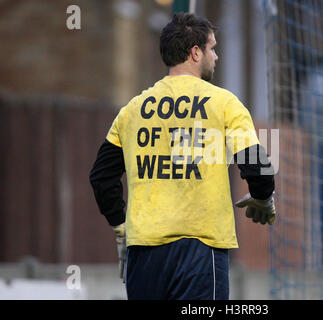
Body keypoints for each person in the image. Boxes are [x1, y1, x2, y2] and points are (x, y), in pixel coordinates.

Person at [89, 12, 275, 300]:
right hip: (200, 251)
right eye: (212, 48)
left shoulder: (132, 110)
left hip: (144, 253)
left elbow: (101, 176)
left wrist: (120, 226)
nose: (217, 56)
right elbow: (256, 164)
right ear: (195, 52)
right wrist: (263, 197)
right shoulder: (223, 103)